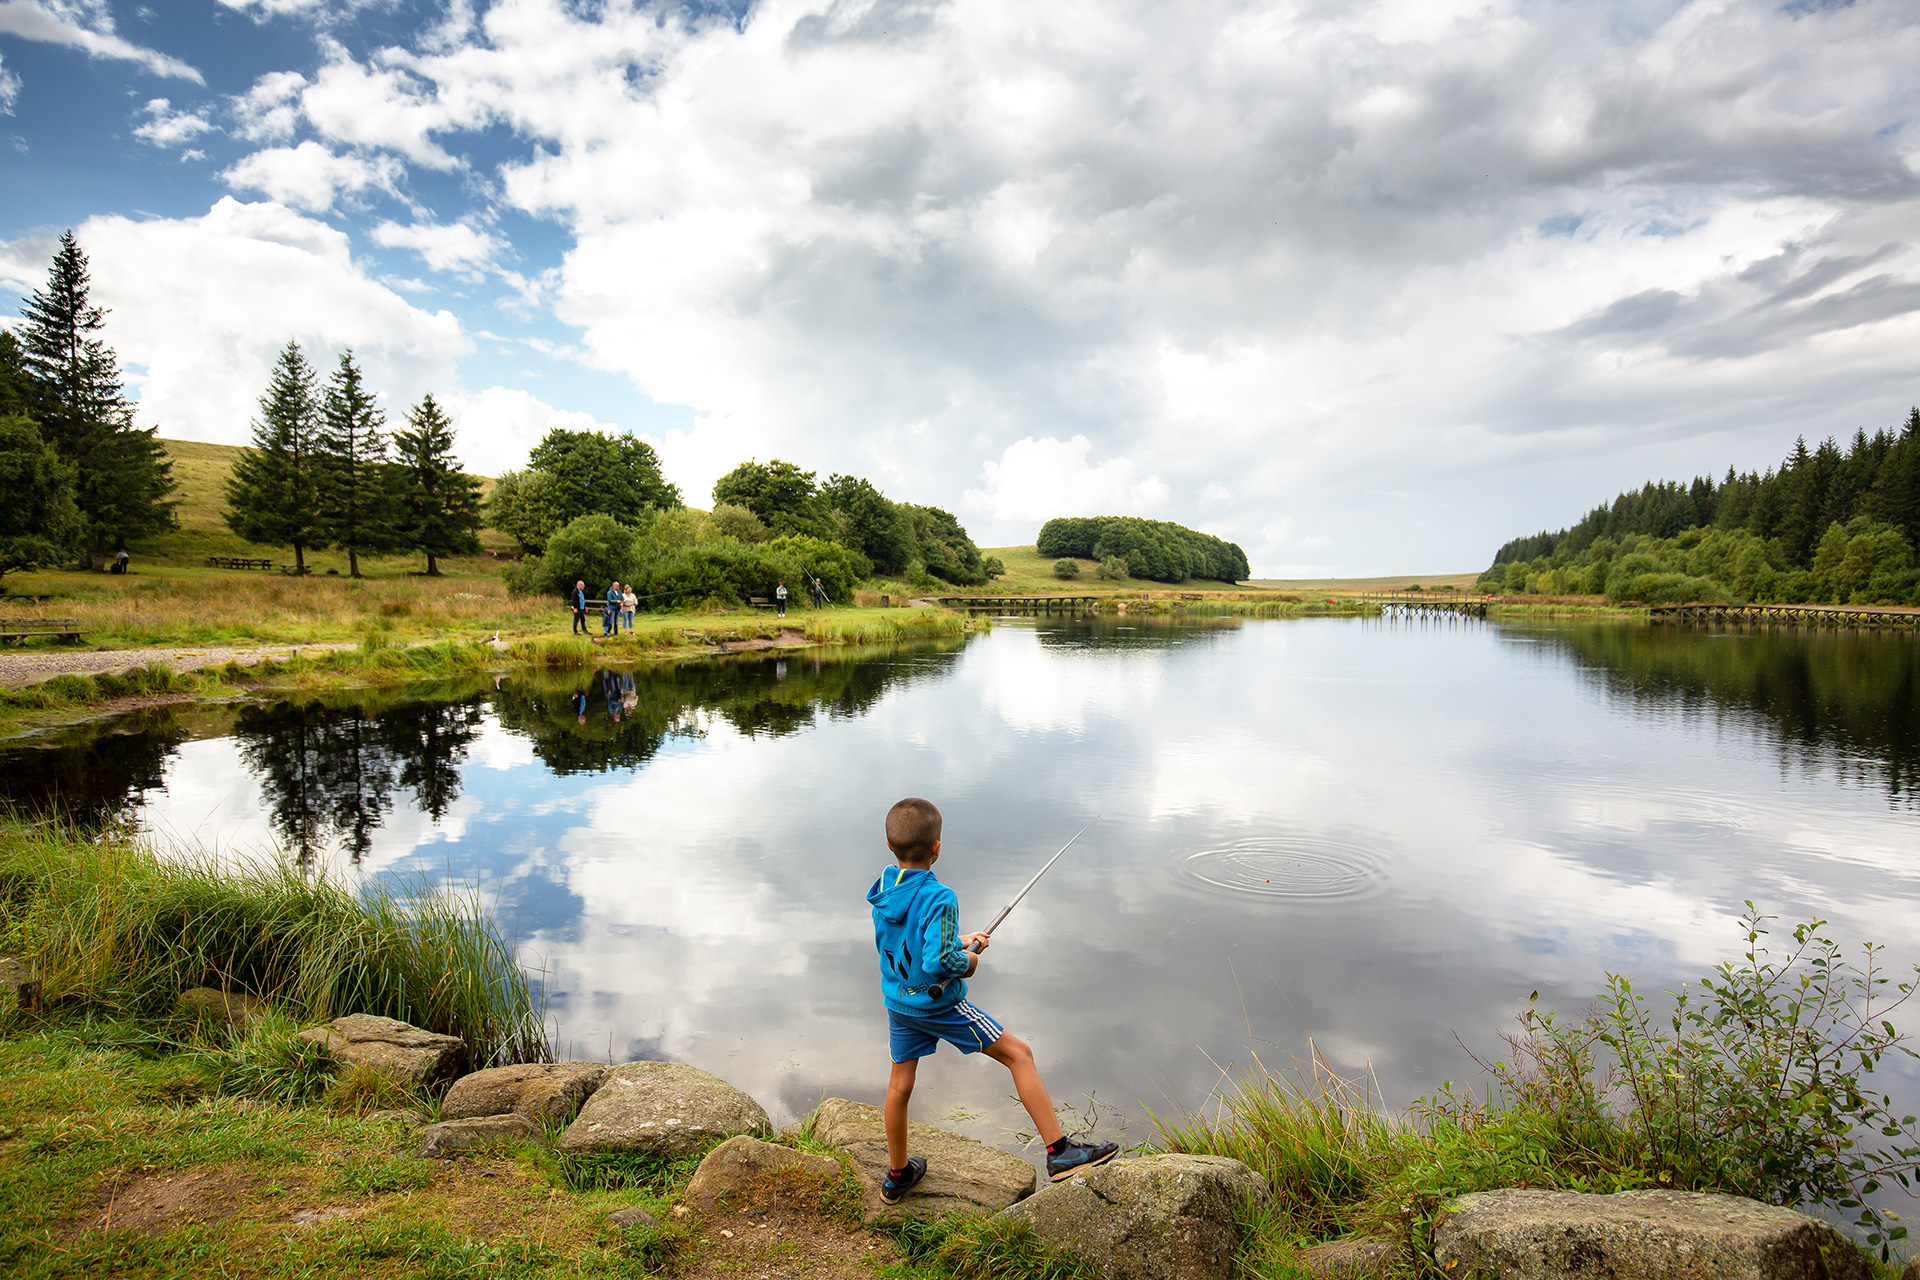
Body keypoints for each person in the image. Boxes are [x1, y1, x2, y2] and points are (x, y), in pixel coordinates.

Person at [865, 798, 1117, 1205]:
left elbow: (910, 941)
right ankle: (1060, 1153)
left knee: (900, 1085)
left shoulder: (883, 891)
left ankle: (897, 1175)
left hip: (899, 1004)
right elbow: (937, 960)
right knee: (1019, 1054)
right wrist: (969, 960)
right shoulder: (939, 896)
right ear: (937, 848)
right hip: (938, 1006)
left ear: (890, 846)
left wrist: (962, 939)